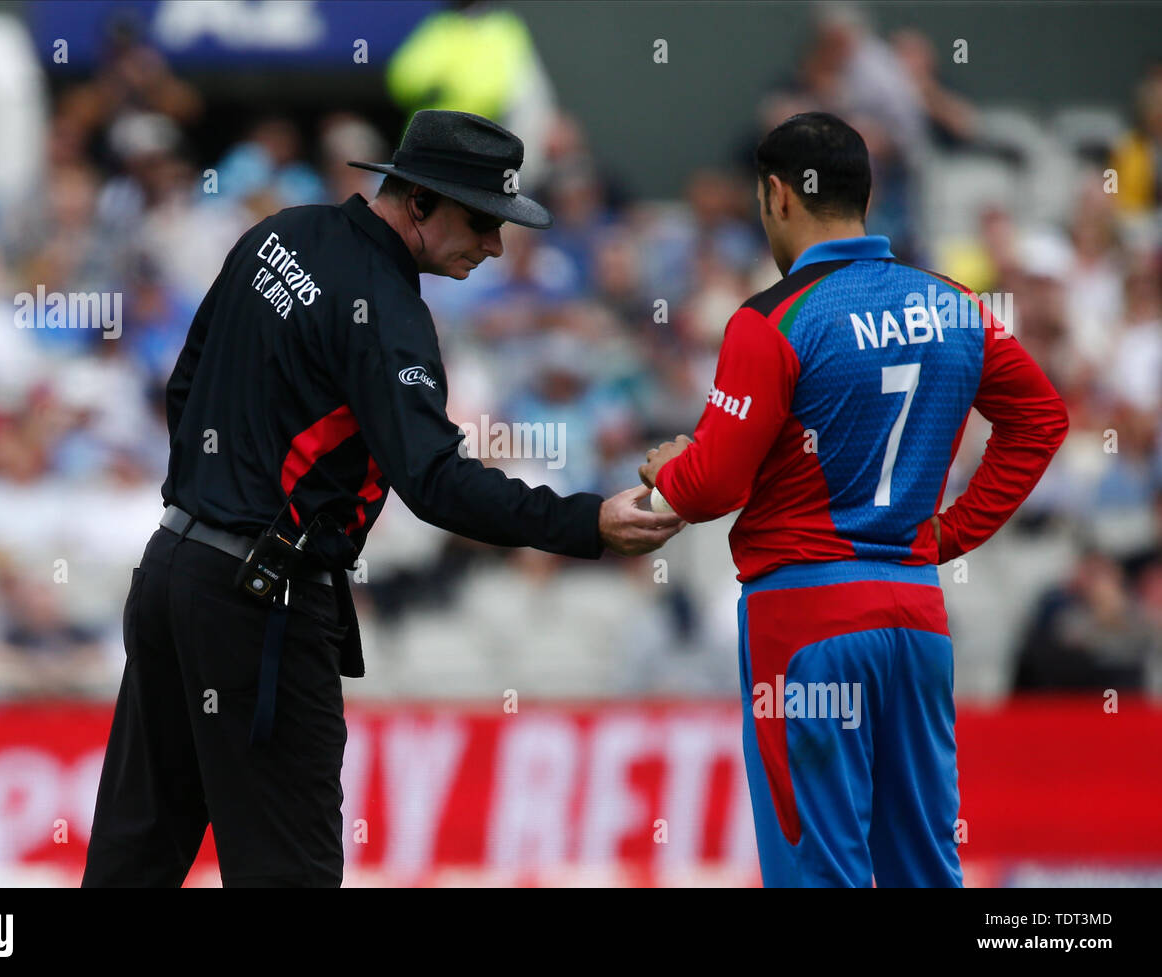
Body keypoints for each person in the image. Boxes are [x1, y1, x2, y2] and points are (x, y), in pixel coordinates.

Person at [82, 109, 682, 888]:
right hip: (259, 602)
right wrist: (587, 521)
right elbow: (434, 481)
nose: (495, 245)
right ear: (419, 203)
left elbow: (185, 387)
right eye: (482, 220)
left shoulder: (280, 234)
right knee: (287, 872)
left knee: (133, 858)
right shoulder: (388, 312)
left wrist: (211, 509)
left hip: (170, 570)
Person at [639, 112, 1068, 887]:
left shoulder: (772, 318)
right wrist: (944, 537)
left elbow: (714, 485)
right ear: (864, 196)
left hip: (805, 619)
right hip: (916, 612)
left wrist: (667, 469)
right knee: (924, 868)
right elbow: (1042, 419)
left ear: (776, 195)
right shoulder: (953, 303)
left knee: (821, 870)